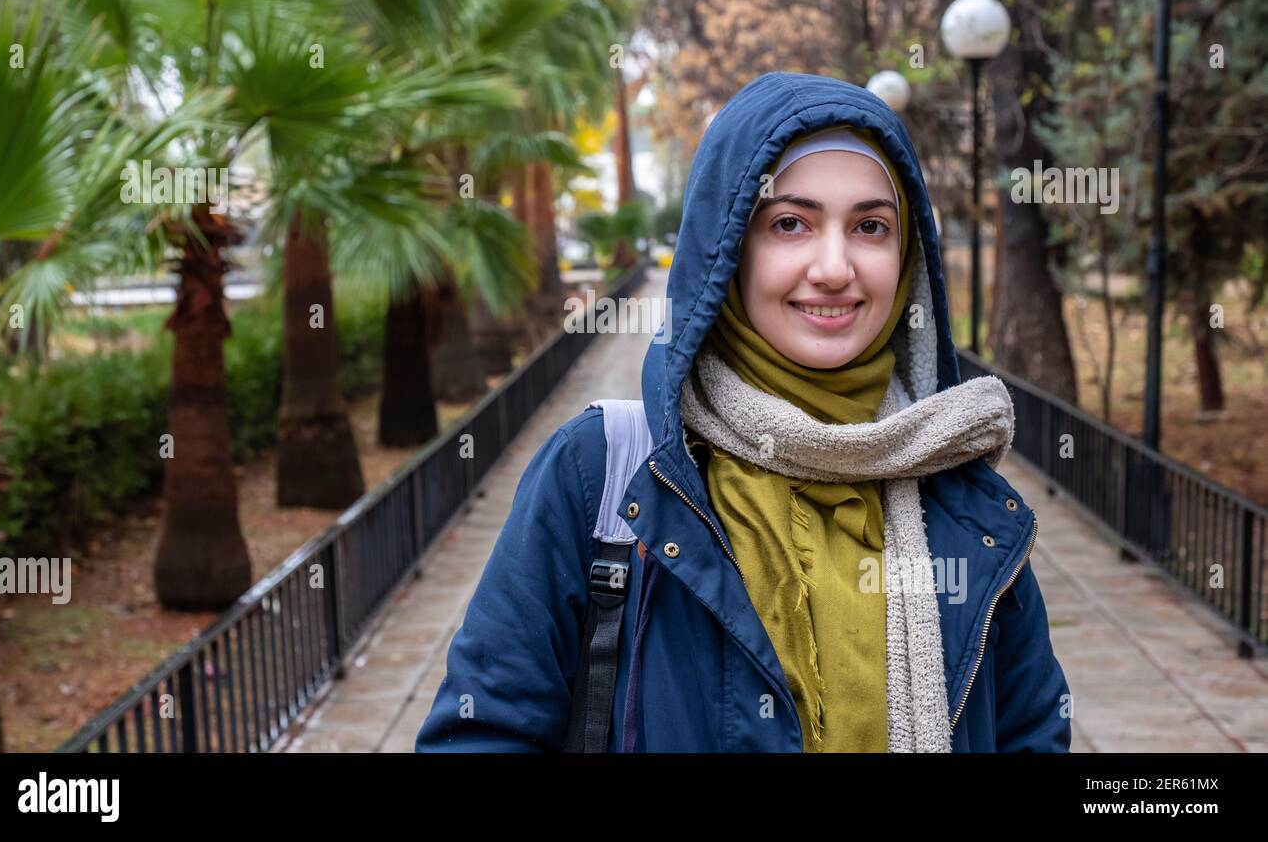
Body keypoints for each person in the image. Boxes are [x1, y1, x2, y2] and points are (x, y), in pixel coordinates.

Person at [414, 71, 1072, 752]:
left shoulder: (968, 497)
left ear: (905, 258)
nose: (834, 266)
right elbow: (482, 732)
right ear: (727, 246)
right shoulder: (601, 474)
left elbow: (1033, 736)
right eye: (791, 223)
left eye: (871, 226)